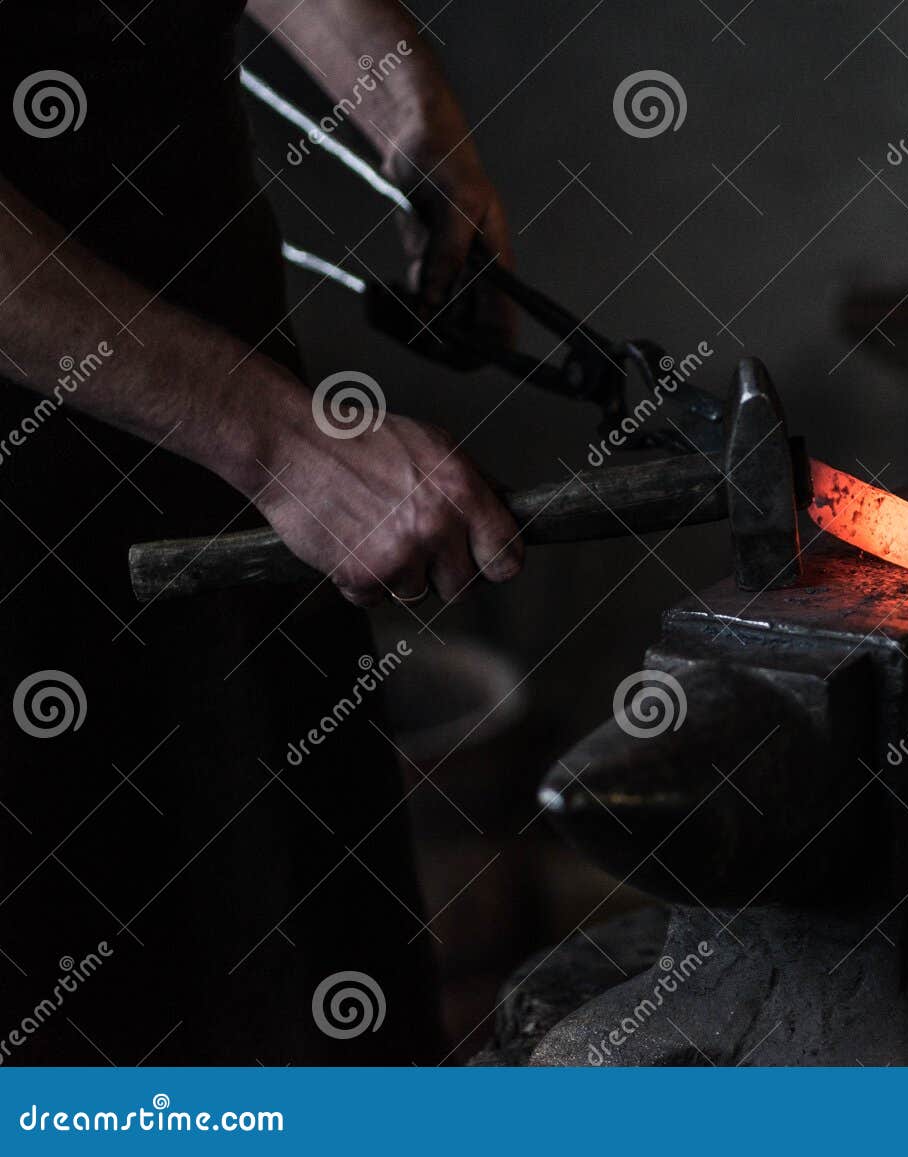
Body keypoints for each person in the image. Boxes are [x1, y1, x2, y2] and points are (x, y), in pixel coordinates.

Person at [0, 0, 523, 1063]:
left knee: (316, 973)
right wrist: (284, 448)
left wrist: (405, 106)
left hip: (233, 430)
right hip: (34, 518)